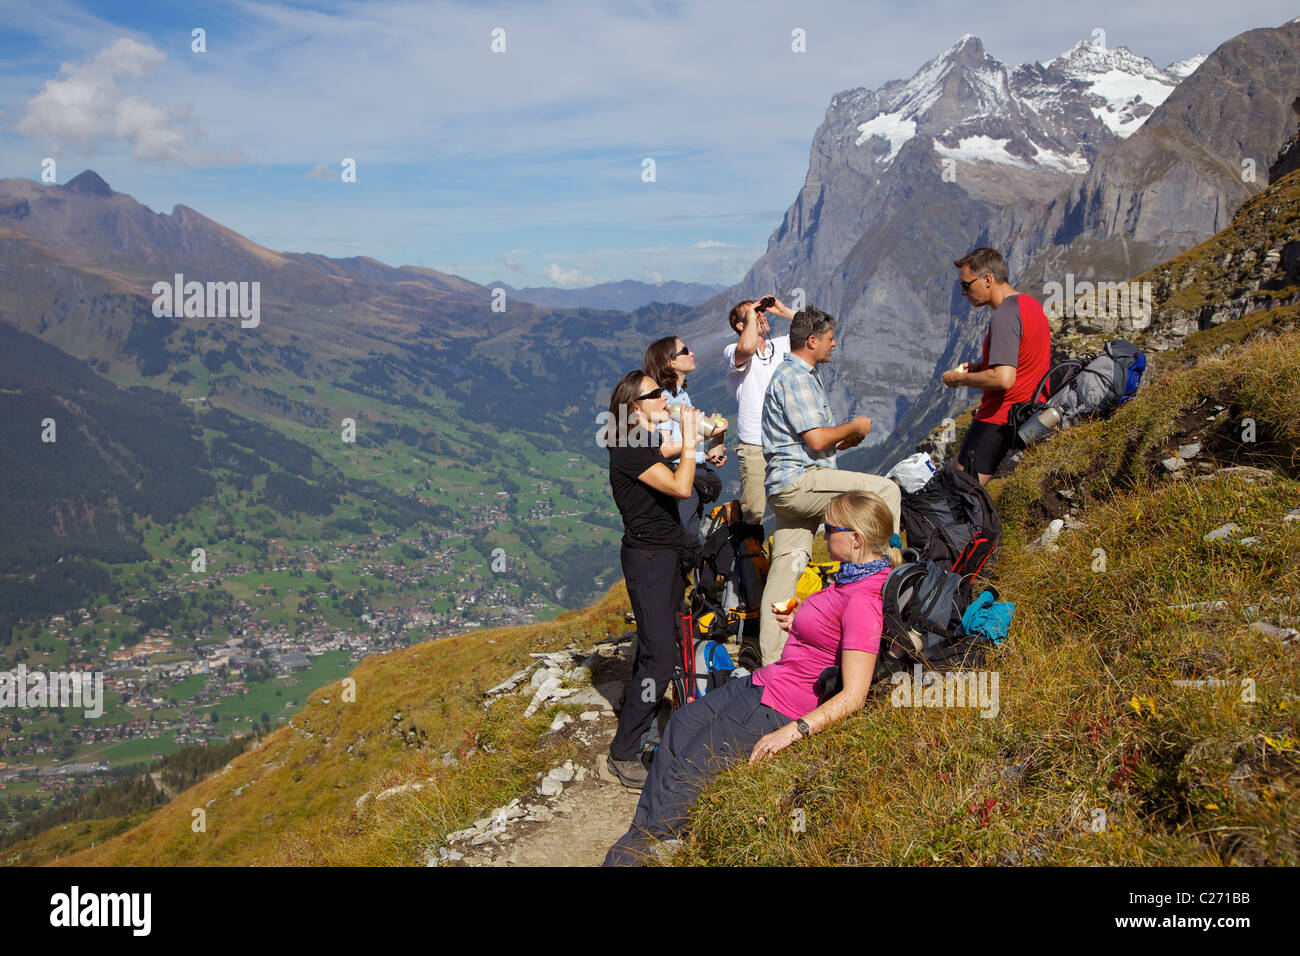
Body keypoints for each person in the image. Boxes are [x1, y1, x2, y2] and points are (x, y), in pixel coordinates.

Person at [604, 491, 900, 866]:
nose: (823, 535)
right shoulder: (850, 577)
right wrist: (804, 621)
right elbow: (831, 635)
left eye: (829, 529)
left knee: (689, 769)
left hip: (781, 707)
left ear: (855, 538)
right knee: (680, 724)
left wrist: (792, 732)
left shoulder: (863, 599)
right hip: (767, 682)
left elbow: (855, 695)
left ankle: (636, 854)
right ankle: (651, 833)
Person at [757, 307, 901, 665]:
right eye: (829, 338)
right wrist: (854, 426)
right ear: (812, 341)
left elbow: (811, 440)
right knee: (886, 492)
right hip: (800, 482)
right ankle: (895, 584)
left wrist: (841, 442)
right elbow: (817, 438)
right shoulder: (796, 378)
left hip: (786, 487)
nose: (834, 344)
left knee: (785, 569)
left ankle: (772, 661)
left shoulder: (798, 374)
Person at [603, 369, 707, 789]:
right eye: (656, 393)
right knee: (659, 657)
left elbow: (665, 449)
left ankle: (643, 722)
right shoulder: (628, 447)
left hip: (663, 557)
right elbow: (681, 488)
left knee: (657, 647)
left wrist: (702, 436)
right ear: (635, 407)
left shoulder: (640, 440)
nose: (665, 397)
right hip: (649, 563)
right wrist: (692, 441)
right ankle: (624, 751)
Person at [941, 247, 1052, 485]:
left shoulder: (1005, 315)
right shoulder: (1030, 305)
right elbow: (1022, 361)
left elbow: (1003, 379)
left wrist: (958, 379)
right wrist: (978, 368)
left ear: (987, 280)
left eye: (966, 285)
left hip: (999, 417)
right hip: (1028, 410)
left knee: (962, 490)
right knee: (958, 480)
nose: (963, 292)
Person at [643, 336, 728, 542]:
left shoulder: (681, 395)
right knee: (685, 539)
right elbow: (663, 449)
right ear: (670, 362)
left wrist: (704, 456)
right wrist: (704, 436)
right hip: (680, 475)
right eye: (685, 350)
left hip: (691, 472)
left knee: (691, 537)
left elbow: (680, 442)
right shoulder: (664, 399)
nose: (692, 353)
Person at [723, 297, 794, 526]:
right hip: (755, 444)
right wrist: (752, 317)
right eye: (754, 313)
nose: (761, 315)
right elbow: (747, 348)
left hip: (786, 441)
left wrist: (783, 311)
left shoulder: (780, 345)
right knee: (753, 512)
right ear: (740, 326)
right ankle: (745, 548)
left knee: (793, 506)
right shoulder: (732, 350)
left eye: (762, 312)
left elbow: (819, 332)